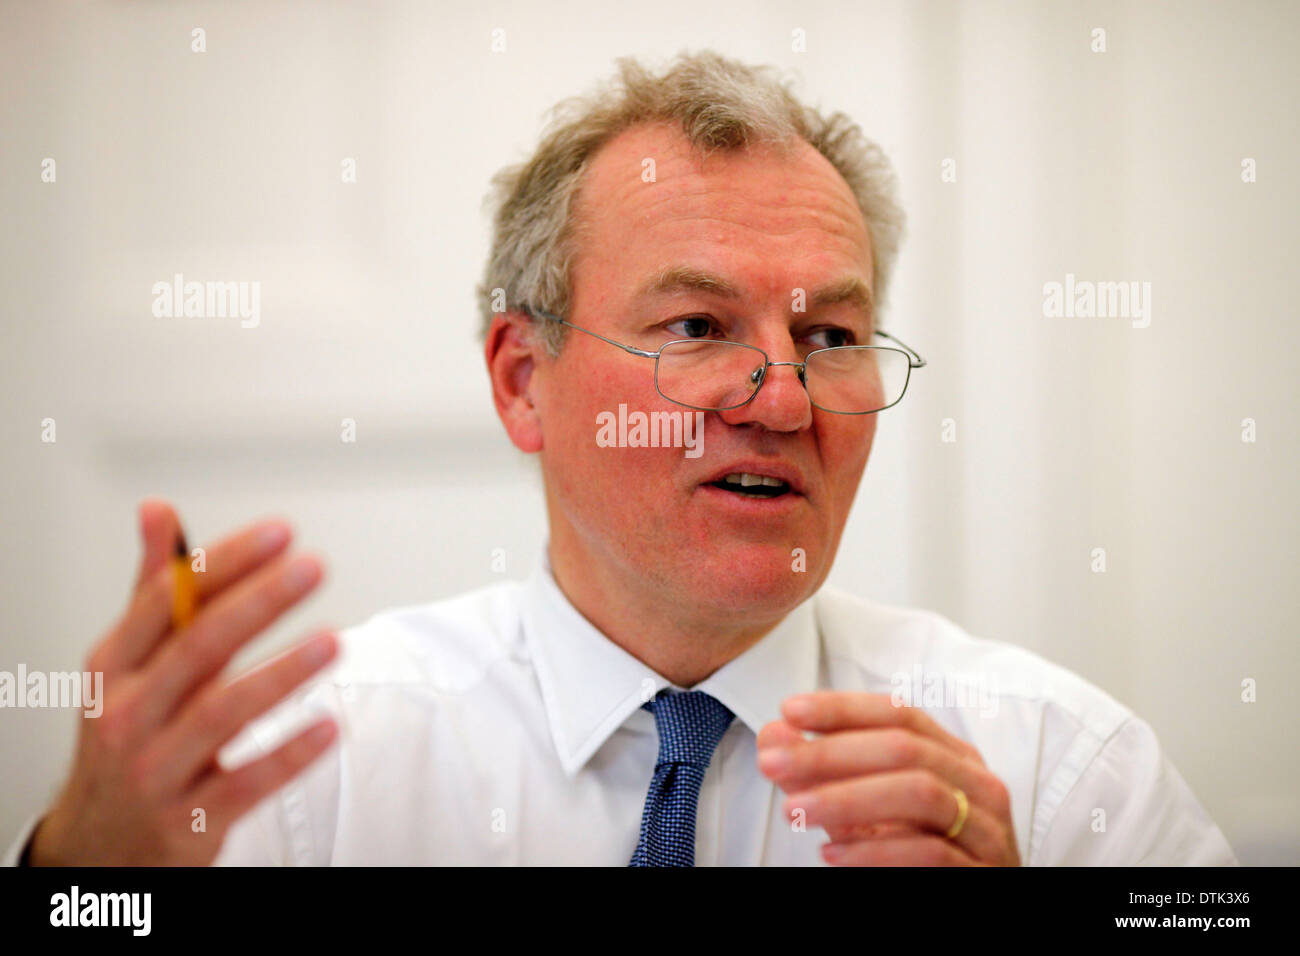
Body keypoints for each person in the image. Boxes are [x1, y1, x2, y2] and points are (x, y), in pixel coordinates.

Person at [6, 51, 1236, 866]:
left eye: (829, 335)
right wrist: (77, 881)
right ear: (520, 379)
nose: (780, 396)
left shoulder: (1063, 770)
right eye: (695, 327)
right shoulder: (299, 771)